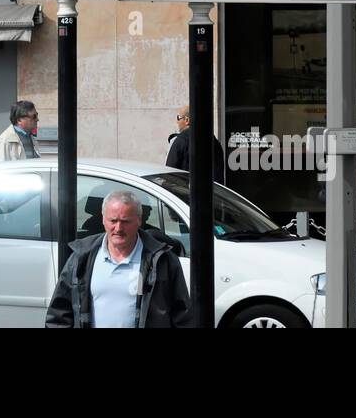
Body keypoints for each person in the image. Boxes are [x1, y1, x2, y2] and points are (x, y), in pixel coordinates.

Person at [46, 189, 192, 328]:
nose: (118, 228)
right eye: (113, 221)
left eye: (125, 221)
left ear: (139, 220)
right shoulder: (81, 257)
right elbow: (59, 314)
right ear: (103, 220)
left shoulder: (162, 260)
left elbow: (183, 317)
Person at [165, 106, 225, 184]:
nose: (177, 122)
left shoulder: (181, 141)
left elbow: (170, 174)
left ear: (187, 120)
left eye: (178, 118)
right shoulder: (214, 141)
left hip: (185, 193)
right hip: (213, 193)